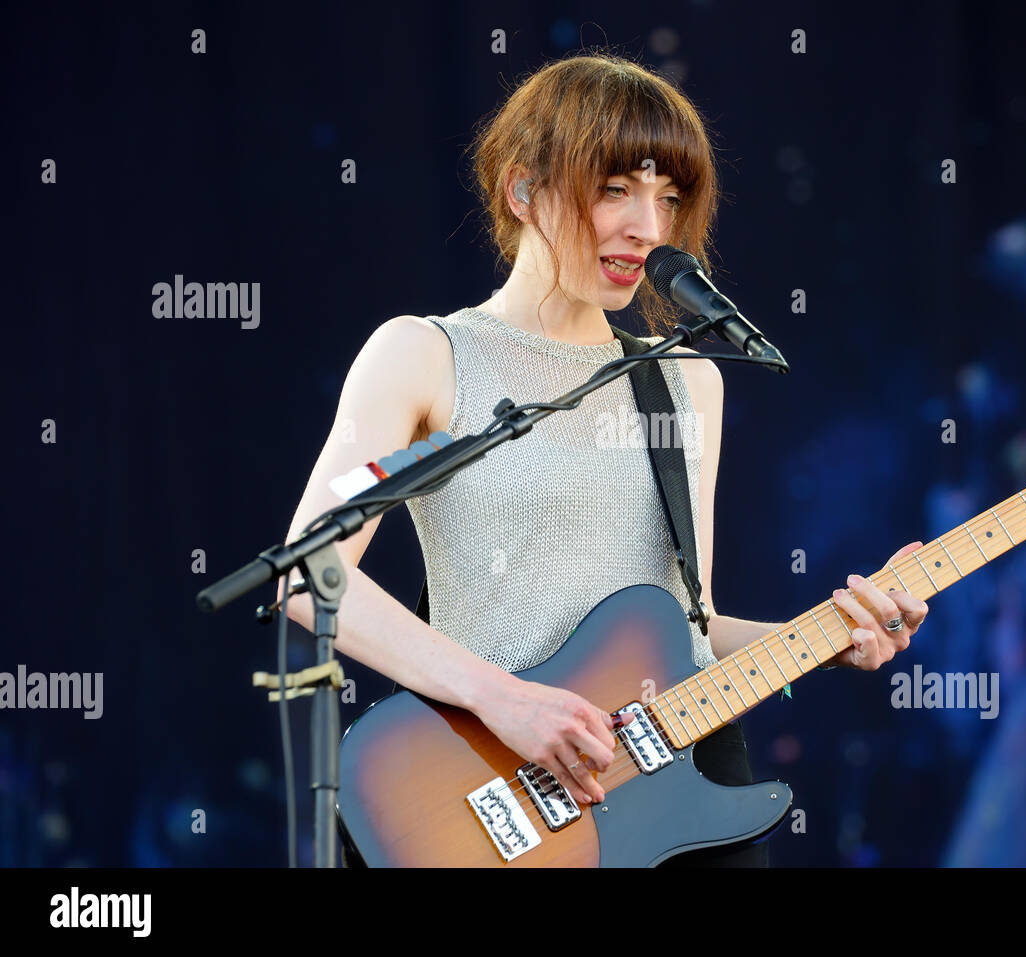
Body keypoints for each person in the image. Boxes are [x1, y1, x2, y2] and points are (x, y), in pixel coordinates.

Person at [282, 52, 929, 867]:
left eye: (668, 198)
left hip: (676, 794)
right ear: (523, 191)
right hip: (498, 796)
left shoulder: (687, 378)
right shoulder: (424, 355)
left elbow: (688, 626)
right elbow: (308, 574)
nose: (650, 229)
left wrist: (822, 638)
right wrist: (507, 700)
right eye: (616, 189)